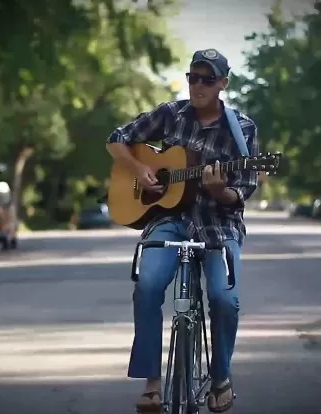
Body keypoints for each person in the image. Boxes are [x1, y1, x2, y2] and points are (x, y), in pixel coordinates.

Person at [105, 48, 259, 413]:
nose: (199, 85)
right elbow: (116, 139)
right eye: (194, 77)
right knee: (147, 284)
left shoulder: (243, 129)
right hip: (168, 220)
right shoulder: (170, 114)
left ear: (223, 84)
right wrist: (140, 170)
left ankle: (221, 377)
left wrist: (220, 189)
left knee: (224, 298)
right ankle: (152, 382)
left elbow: (244, 187)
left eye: (208, 79)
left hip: (217, 224)